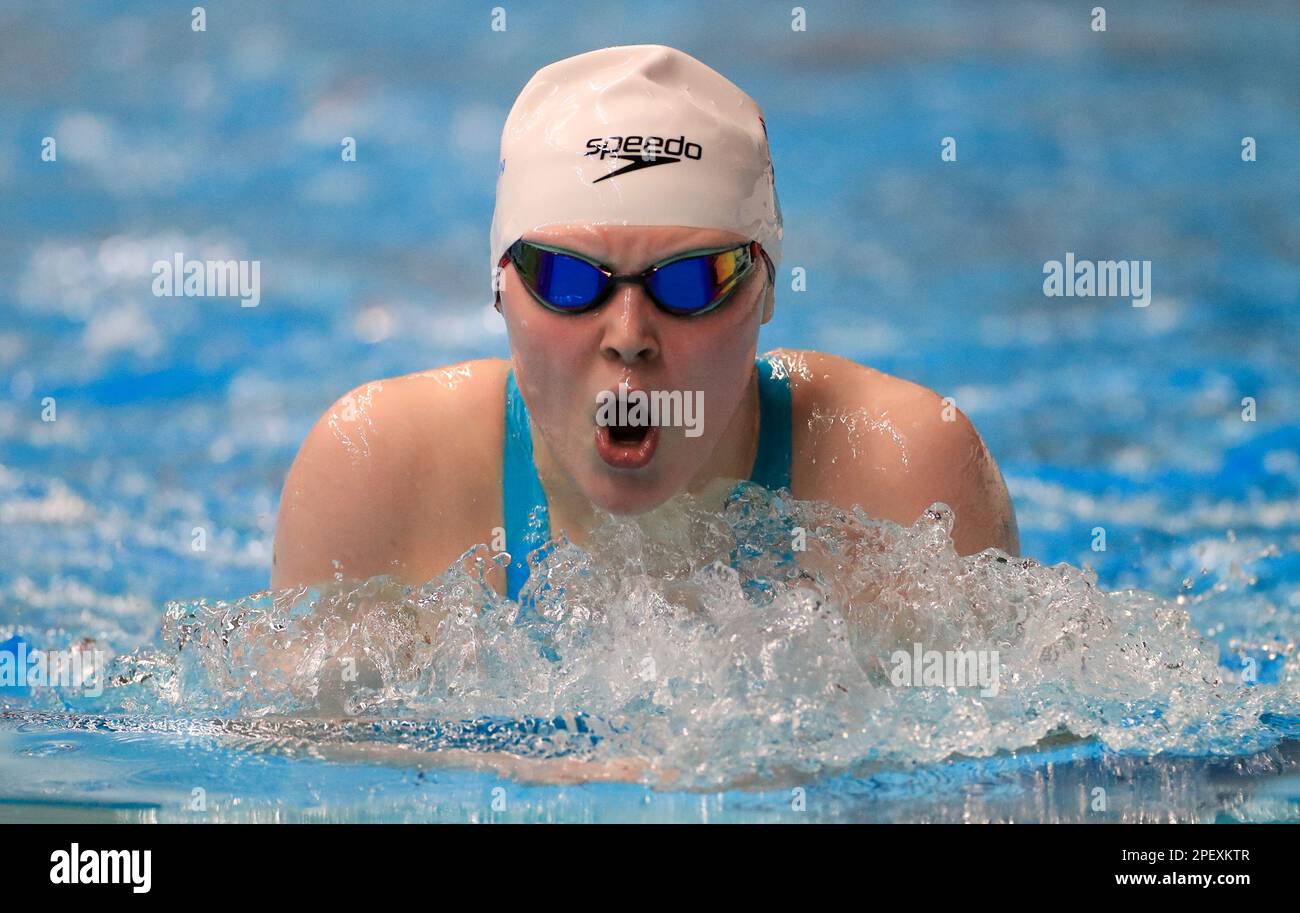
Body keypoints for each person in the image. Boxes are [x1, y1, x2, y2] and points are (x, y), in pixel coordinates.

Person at [271, 44, 1018, 600]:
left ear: (763, 289)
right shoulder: (378, 474)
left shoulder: (904, 477)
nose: (629, 331)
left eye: (691, 281)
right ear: (500, 285)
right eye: (568, 279)